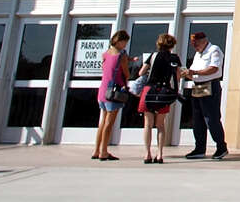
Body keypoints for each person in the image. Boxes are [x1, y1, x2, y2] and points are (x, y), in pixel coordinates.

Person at [181, 31, 228, 160]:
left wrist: (194, 72)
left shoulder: (214, 50)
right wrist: (187, 74)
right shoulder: (197, 54)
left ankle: (221, 147)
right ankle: (199, 148)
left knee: (211, 118)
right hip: (197, 86)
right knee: (197, 119)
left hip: (210, 86)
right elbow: (194, 72)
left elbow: (214, 68)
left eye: (196, 43)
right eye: (193, 44)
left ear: (203, 41)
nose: (194, 46)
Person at [137, 33, 181, 164]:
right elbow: (177, 76)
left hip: (149, 90)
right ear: (172, 45)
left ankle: (147, 154)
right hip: (164, 92)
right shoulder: (174, 58)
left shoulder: (153, 55)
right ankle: (160, 154)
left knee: (147, 124)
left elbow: (141, 72)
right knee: (161, 125)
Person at [94, 30, 131, 161]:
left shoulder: (105, 54)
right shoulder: (121, 56)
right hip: (114, 91)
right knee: (110, 123)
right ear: (120, 41)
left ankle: (97, 150)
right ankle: (104, 151)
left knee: (103, 122)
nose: (125, 45)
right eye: (125, 42)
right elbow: (127, 73)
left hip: (103, 90)